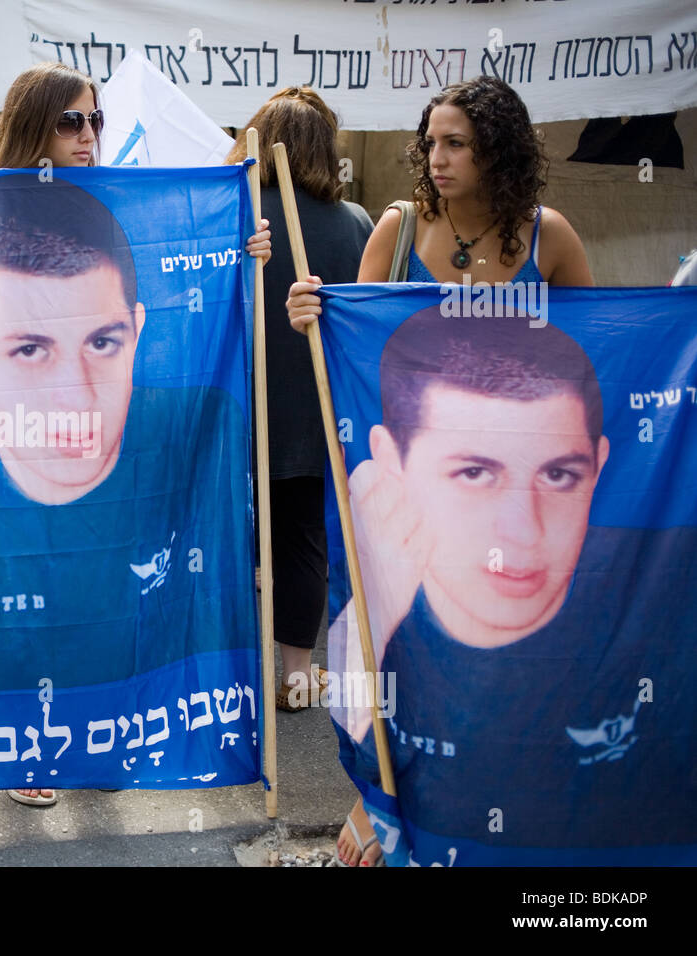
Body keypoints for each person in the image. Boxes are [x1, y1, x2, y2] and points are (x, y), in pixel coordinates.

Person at [0, 62, 271, 809]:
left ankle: (97, 729)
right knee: (17, 594)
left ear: (135, 334)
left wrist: (240, 248)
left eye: (95, 119)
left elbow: (178, 252)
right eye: (71, 120)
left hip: (115, 510)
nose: (89, 135)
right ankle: (33, 750)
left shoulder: (120, 206)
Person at [286, 75, 593, 865]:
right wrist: (310, 313)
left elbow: (595, 362)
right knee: (402, 655)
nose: (439, 157)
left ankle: (504, 814)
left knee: (509, 665)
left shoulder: (548, 236)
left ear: (499, 148)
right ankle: (379, 799)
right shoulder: (395, 229)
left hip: (521, 488)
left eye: (457, 142)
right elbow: (349, 346)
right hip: (419, 488)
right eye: (432, 142)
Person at [326, 304, 697, 862]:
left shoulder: (659, 608)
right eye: (475, 473)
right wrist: (375, 798)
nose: (523, 533)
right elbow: (352, 709)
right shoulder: (378, 601)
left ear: (599, 467)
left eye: (557, 475)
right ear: (390, 462)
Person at [225, 87, 373, 714]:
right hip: (316, 406)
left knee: (226, 534)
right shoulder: (359, 224)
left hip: (240, 400)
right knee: (302, 537)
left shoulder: (233, 208)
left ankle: (219, 671)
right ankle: (295, 674)